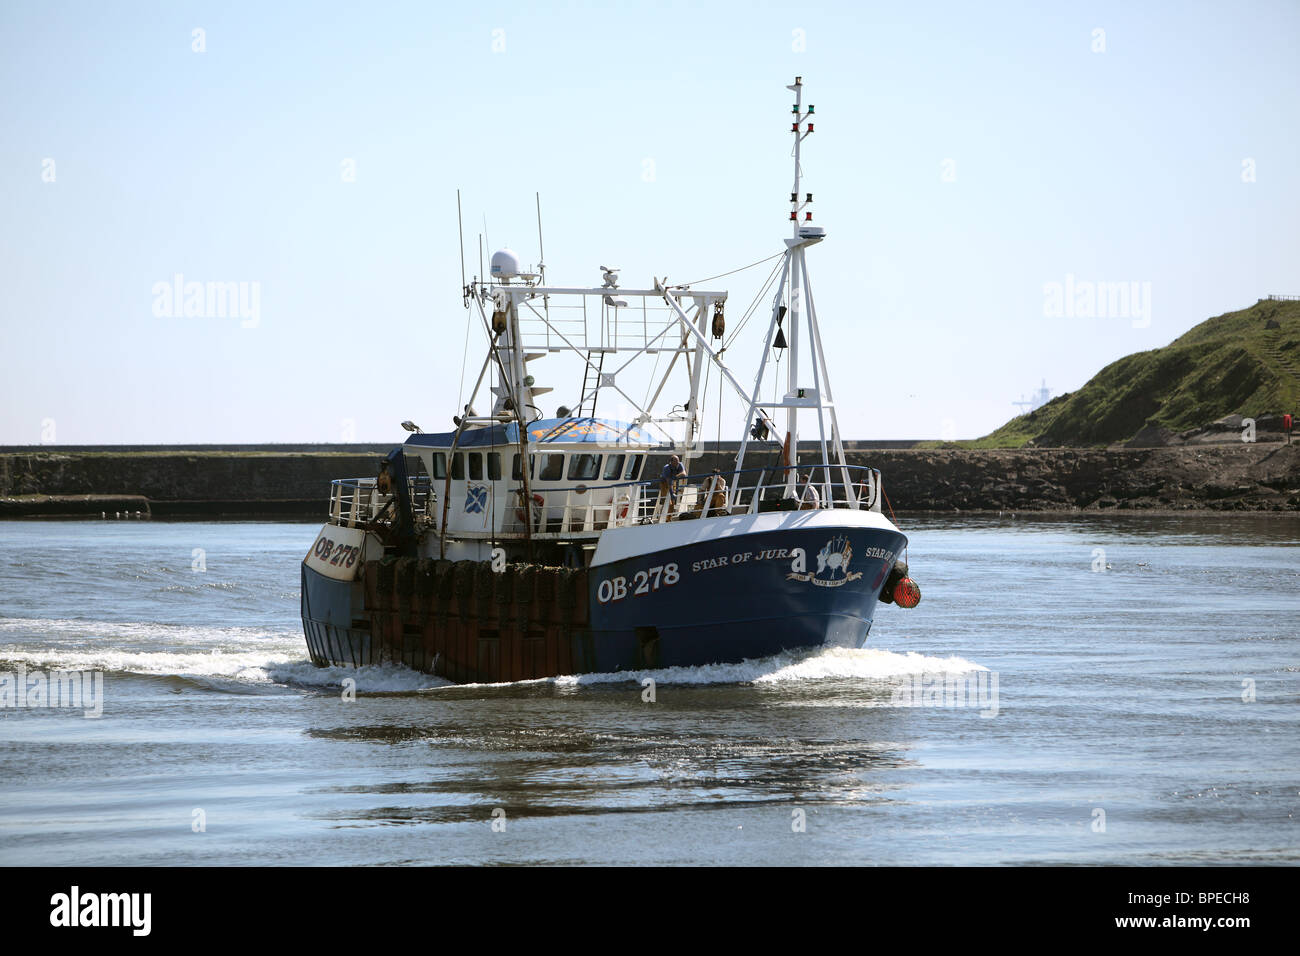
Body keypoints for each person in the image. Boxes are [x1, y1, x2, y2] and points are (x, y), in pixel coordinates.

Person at [659, 455, 686, 520]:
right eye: (676, 461)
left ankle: (668, 518)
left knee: (673, 503)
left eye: (678, 461)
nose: (677, 463)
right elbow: (668, 482)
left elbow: (684, 474)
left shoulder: (679, 464)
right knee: (667, 502)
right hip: (664, 484)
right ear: (671, 462)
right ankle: (662, 518)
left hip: (672, 481)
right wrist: (671, 494)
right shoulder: (666, 468)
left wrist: (675, 477)